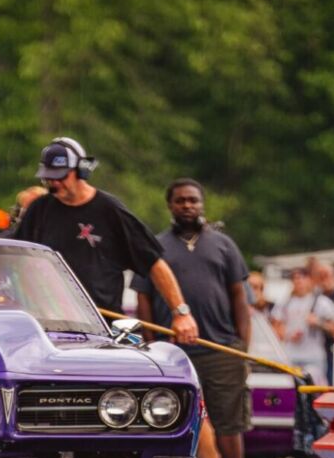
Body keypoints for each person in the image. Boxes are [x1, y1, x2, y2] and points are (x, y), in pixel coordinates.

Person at [133, 178, 261, 458]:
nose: (188, 206)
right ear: (170, 205)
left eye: (193, 200)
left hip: (220, 348)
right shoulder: (155, 246)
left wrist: (241, 346)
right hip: (171, 351)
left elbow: (239, 298)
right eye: (180, 201)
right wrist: (151, 347)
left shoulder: (224, 245)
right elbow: (143, 297)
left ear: (202, 204)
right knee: (173, 419)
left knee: (229, 420)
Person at [13, 136, 198, 344]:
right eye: (48, 178)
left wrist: (181, 313)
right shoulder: (39, 210)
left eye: (60, 176)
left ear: (82, 170)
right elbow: (13, 259)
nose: (54, 183)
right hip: (49, 328)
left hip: (102, 329)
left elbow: (154, 263)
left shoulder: (110, 210)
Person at [271, 266, 334, 385]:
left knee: (313, 388)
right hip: (290, 354)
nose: (299, 281)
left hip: (314, 356)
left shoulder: (321, 302)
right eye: (295, 278)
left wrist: (319, 322)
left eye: (302, 278)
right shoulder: (284, 302)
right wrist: (288, 335)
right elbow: (275, 326)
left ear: (310, 280)